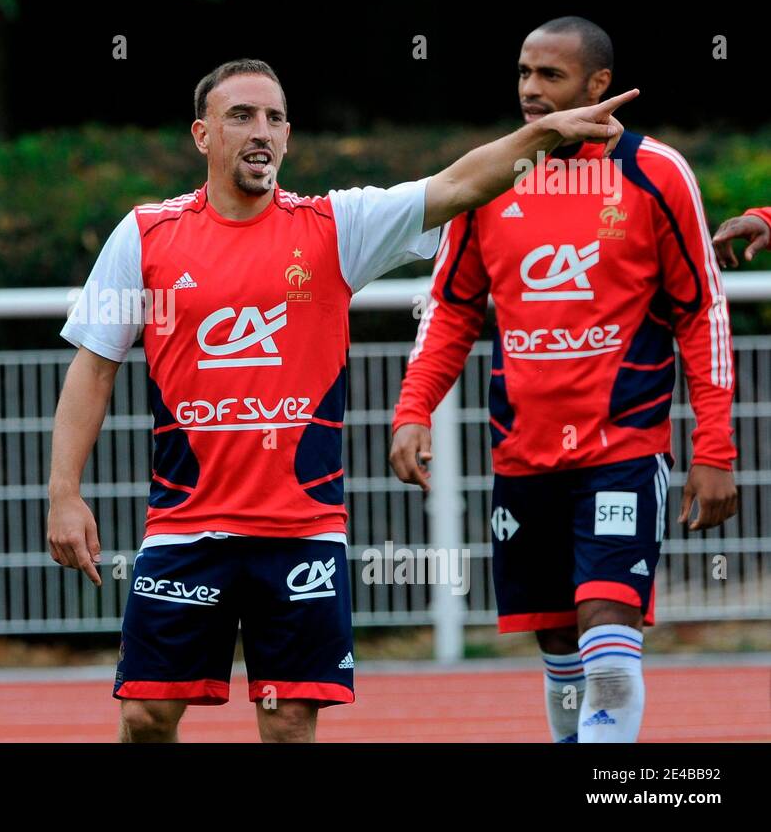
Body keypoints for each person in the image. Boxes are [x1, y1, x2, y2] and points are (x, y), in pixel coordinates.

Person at [48, 55, 637, 742]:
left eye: (273, 117)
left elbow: (457, 184)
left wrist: (546, 135)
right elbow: (94, 365)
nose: (259, 129)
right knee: (146, 717)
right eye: (240, 115)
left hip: (301, 529)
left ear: (290, 137)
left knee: (290, 723)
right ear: (202, 135)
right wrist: (65, 491)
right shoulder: (146, 233)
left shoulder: (335, 227)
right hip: (187, 529)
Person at [390, 17, 737, 742]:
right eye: (523, 73)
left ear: (599, 85)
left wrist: (715, 448)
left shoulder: (655, 172)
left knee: (607, 645)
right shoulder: (490, 176)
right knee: (560, 656)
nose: (530, 90)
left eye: (550, 75)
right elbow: (451, 308)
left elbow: (701, 311)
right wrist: (414, 407)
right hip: (523, 454)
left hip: (624, 448)